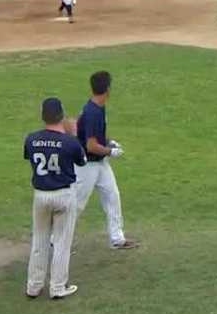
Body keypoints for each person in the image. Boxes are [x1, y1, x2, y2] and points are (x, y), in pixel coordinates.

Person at [24, 98, 85, 300]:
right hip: (64, 195)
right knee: (61, 242)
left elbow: (29, 157)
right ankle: (58, 287)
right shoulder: (70, 142)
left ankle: (33, 286)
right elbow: (82, 161)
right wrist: (73, 135)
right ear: (62, 115)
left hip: (41, 195)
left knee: (39, 241)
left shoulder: (31, 139)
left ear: (43, 116)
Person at [74, 72, 137, 250]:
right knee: (77, 204)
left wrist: (109, 141)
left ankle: (117, 238)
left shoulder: (97, 107)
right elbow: (91, 145)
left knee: (112, 197)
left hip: (100, 164)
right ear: (107, 89)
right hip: (86, 166)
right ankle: (55, 239)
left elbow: (94, 135)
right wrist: (111, 151)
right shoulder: (93, 112)